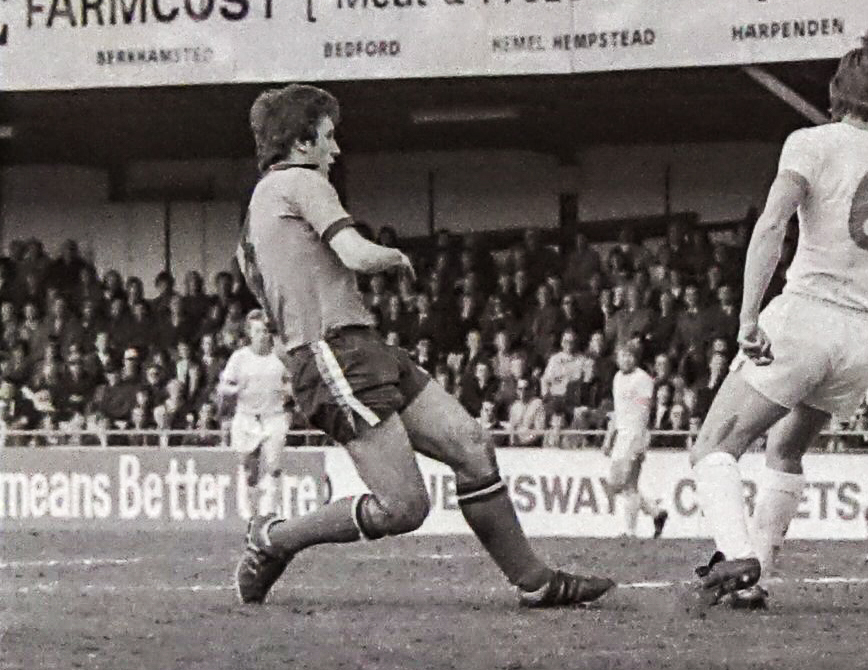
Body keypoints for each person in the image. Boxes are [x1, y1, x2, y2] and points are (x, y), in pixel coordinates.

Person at [229, 84, 612, 609]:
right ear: (299, 143)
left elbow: (262, 283)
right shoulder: (300, 181)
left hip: (356, 347)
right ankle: (272, 538)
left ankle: (536, 581)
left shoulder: (254, 213)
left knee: (471, 445)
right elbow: (355, 253)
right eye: (328, 138)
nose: (335, 151)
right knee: (404, 507)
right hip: (334, 354)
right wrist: (393, 256)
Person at [680, 34, 868, 615]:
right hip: (867, 339)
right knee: (787, 449)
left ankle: (736, 556)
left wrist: (747, 316)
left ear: (839, 93)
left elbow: (771, 227)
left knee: (714, 445)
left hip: (807, 317)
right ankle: (755, 576)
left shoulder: (811, 143)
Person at [217, 310, 291, 518]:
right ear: (250, 333)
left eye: (265, 331)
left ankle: (269, 516)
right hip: (247, 418)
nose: (262, 335)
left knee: (274, 468)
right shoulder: (240, 358)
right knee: (250, 472)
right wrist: (238, 389)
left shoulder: (280, 357)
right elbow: (224, 388)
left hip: (274, 416)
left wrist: (288, 390)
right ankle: (251, 516)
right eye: (258, 331)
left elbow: (292, 380)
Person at [600, 341, 668, 540]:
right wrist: (608, 438)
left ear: (635, 358)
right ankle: (656, 512)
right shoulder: (617, 378)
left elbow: (644, 412)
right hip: (621, 436)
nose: (626, 359)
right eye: (623, 355)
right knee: (616, 483)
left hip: (635, 435)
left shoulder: (643, 379)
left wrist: (640, 442)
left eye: (630, 355)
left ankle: (629, 532)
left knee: (628, 484)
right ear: (617, 358)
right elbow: (617, 412)